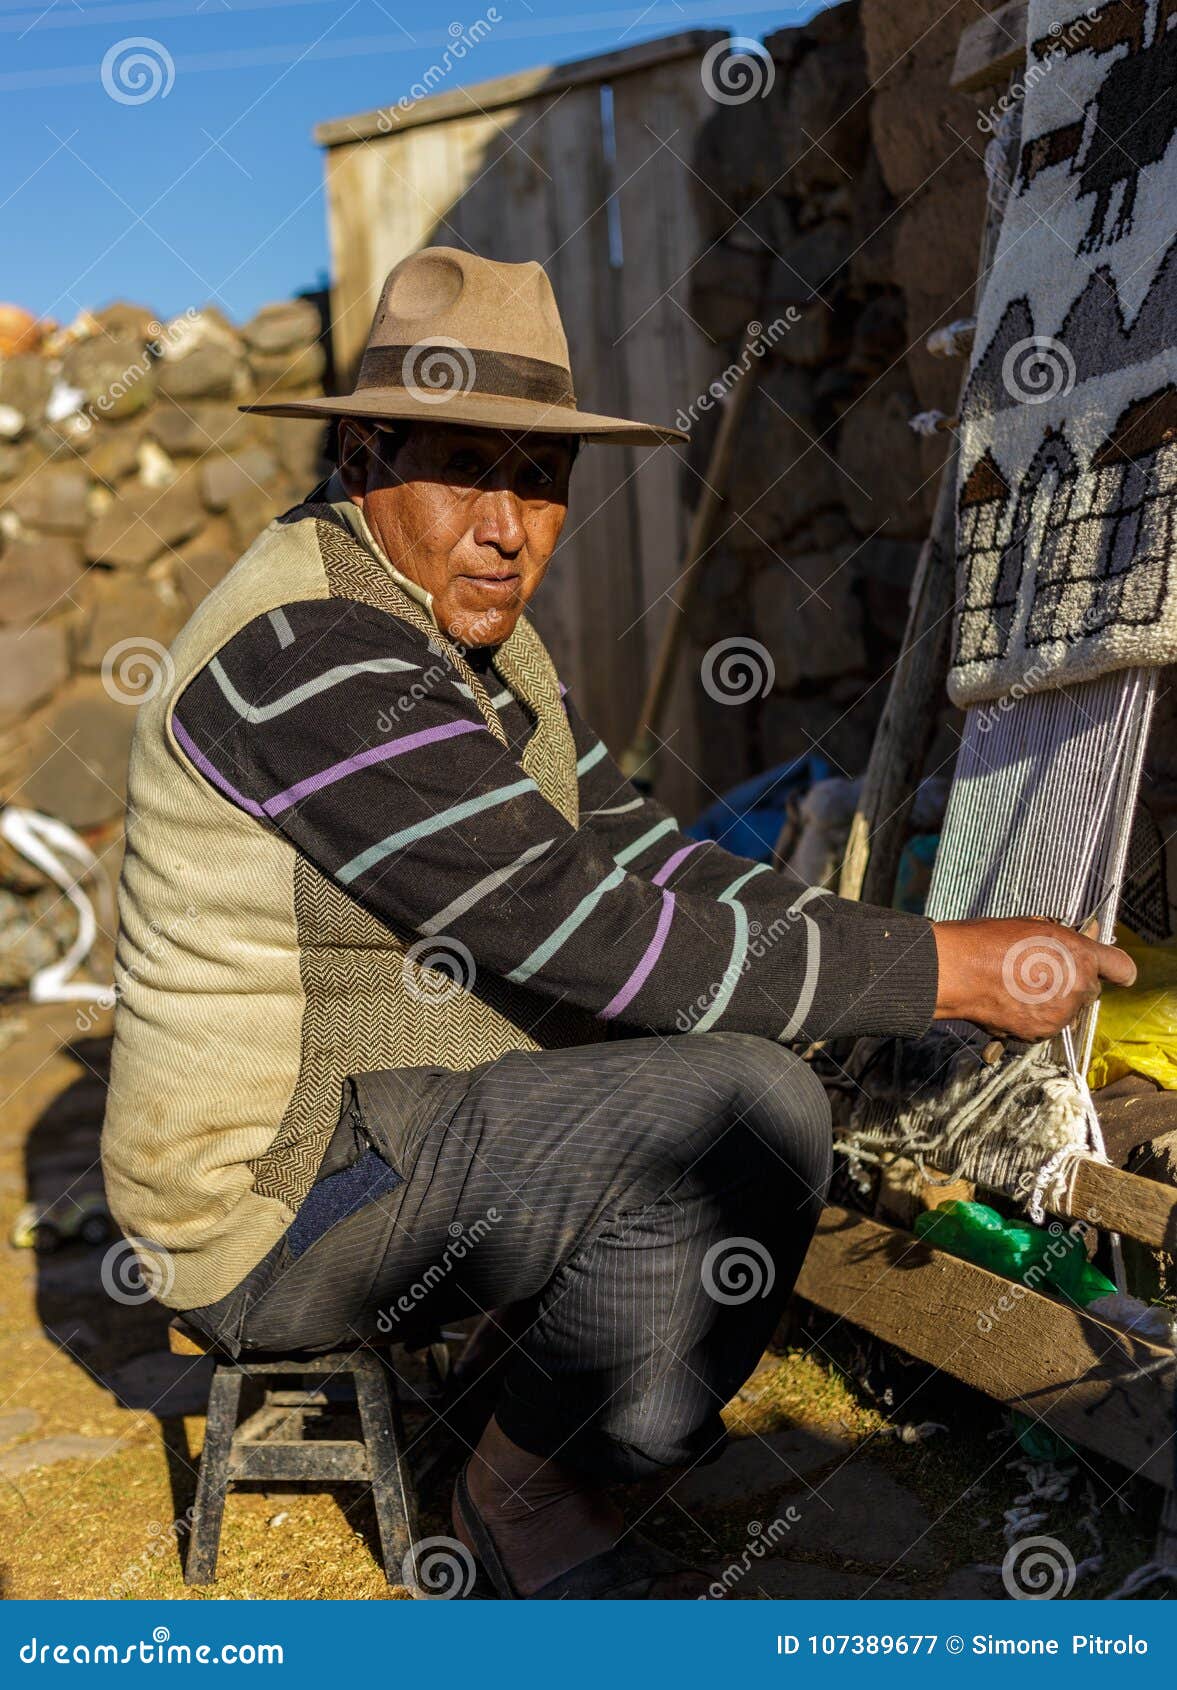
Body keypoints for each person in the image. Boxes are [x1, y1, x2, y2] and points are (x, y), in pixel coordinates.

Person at [101, 247, 1134, 1599]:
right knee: (744, 1106)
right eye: (467, 468)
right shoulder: (315, 650)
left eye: (539, 479)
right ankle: (521, 1502)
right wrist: (941, 970)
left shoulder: (482, 651)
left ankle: (543, 1421)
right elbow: (571, 918)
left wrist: (888, 954)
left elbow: (649, 860)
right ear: (361, 451)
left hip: (403, 1126)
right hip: (268, 1197)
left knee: (771, 1063)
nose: (508, 525)